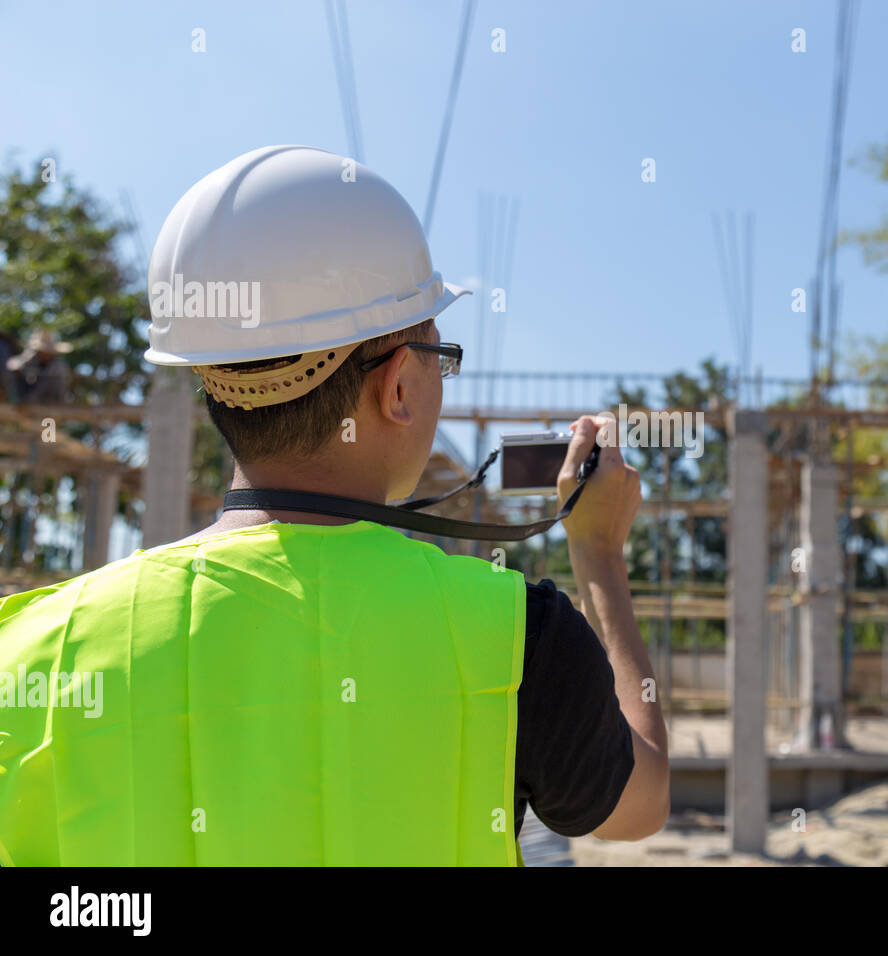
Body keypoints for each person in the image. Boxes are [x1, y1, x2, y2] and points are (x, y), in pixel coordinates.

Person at [0, 145, 668, 865]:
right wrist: (598, 554)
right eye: (439, 357)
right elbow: (640, 803)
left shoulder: (36, 650)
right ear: (399, 389)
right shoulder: (515, 636)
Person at [5, 329, 72, 404]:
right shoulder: (33, 359)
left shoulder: (59, 366)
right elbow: (13, 364)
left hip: (53, 402)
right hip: (29, 401)